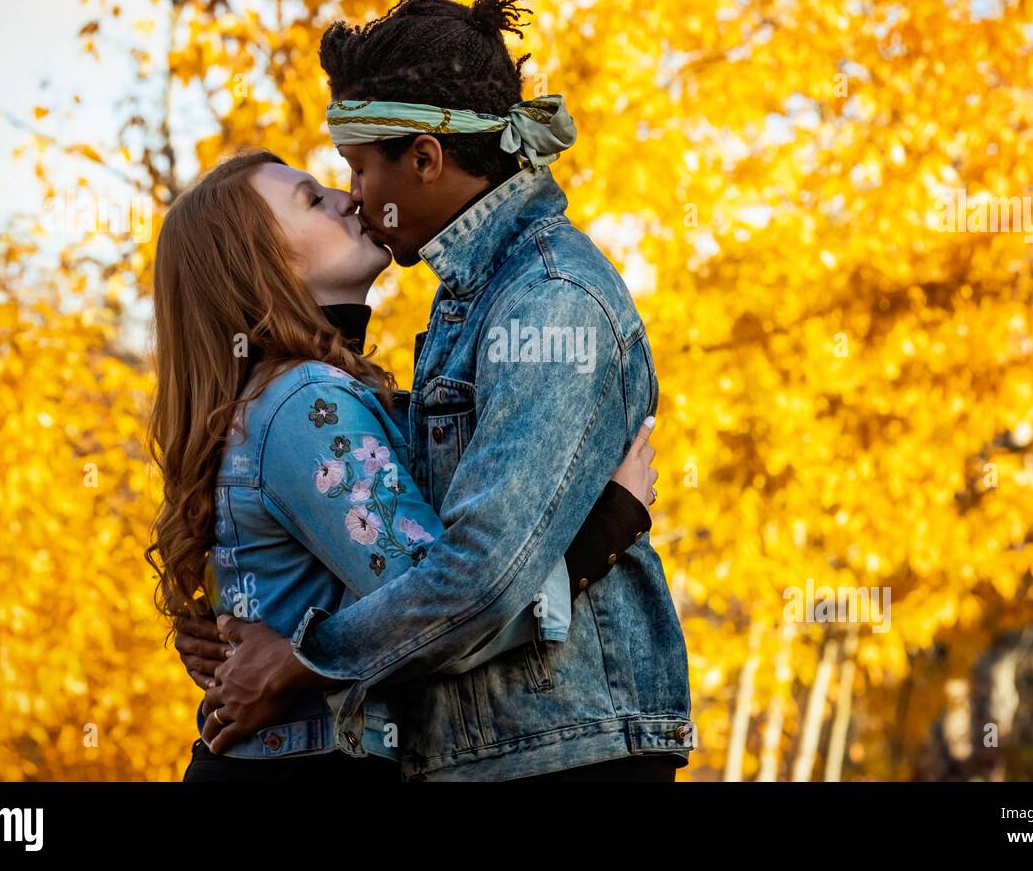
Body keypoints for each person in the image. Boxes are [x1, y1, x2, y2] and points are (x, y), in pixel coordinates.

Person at [194, 0, 694, 782]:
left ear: (425, 159)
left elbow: (480, 578)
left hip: (564, 754)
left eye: (356, 170)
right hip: (504, 749)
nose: (354, 196)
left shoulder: (548, 298)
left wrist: (302, 660)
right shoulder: (464, 302)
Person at [149, 149, 657, 781]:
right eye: (312, 199)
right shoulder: (309, 404)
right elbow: (443, 601)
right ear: (260, 268)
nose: (346, 197)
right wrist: (606, 528)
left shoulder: (282, 398)